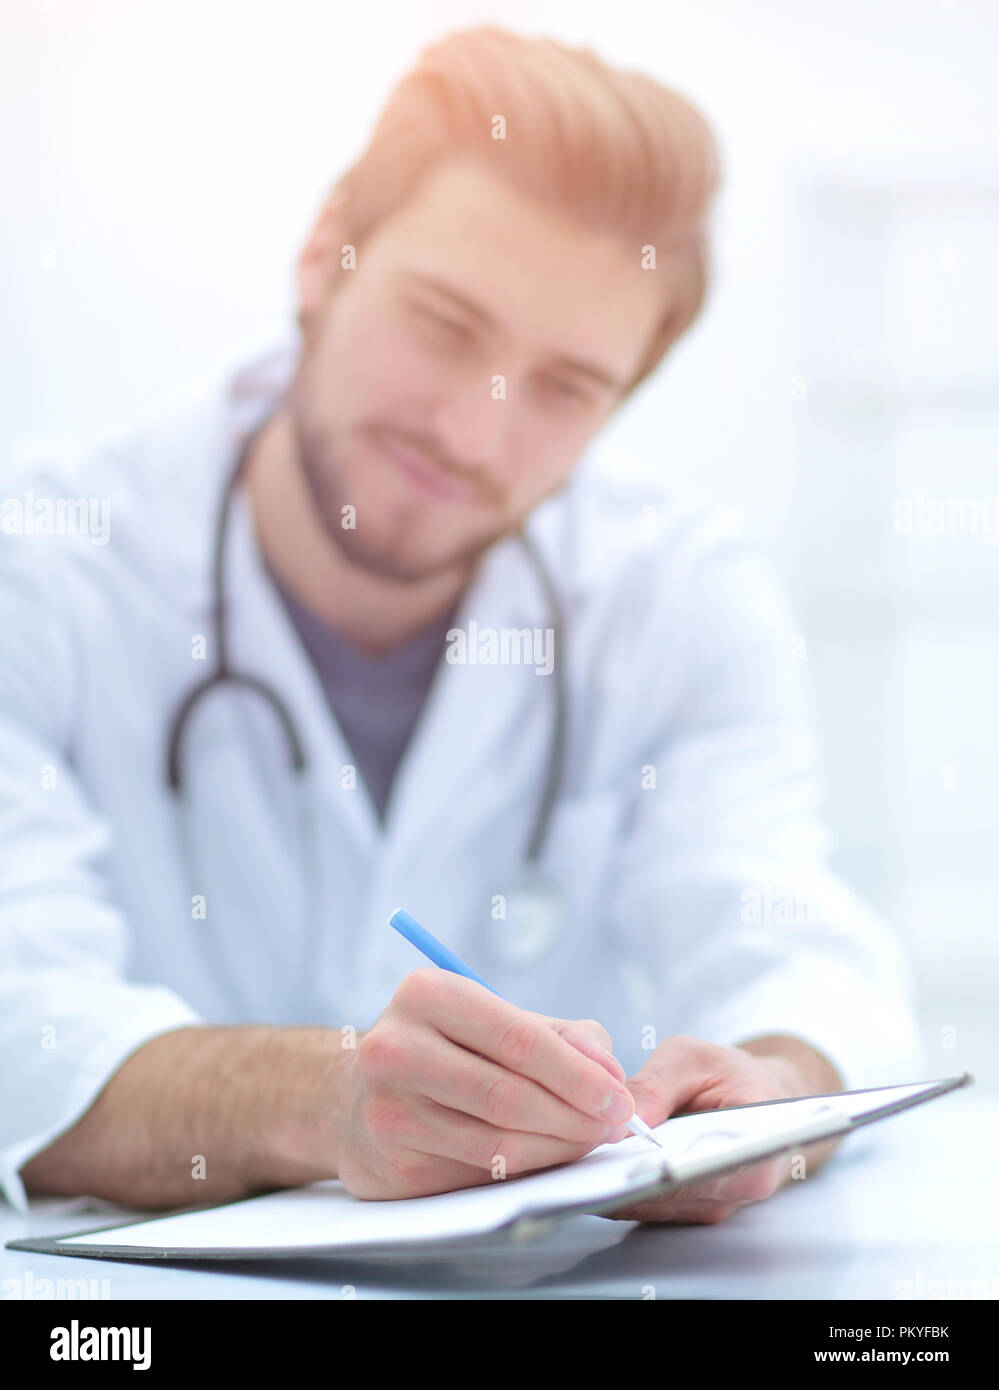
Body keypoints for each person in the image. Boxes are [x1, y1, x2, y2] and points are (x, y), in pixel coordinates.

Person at [0, 26, 925, 1225]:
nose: (471, 435)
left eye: (563, 388)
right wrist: (320, 1100)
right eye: (444, 324)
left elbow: (794, 941)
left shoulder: (677, 595)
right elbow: (18, 1007)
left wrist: (772, 1097)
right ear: (326, 254)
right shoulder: (44, 568)